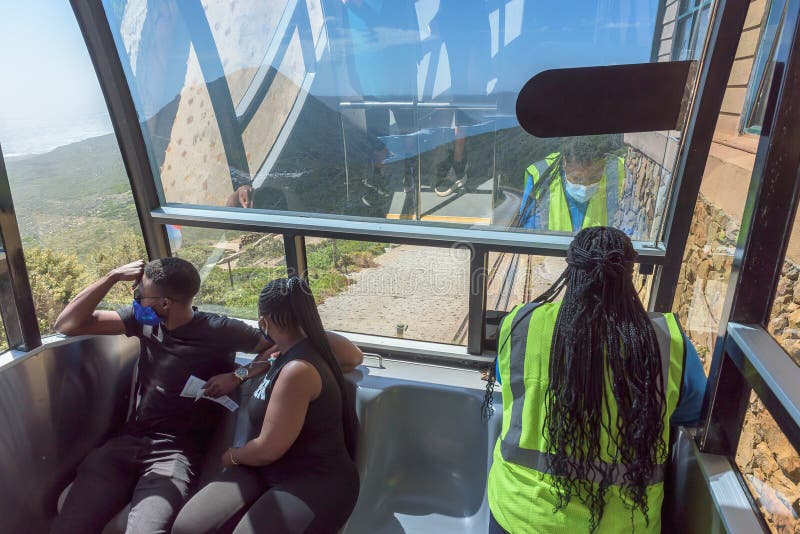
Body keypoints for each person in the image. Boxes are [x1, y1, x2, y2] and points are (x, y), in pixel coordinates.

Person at [50, 259, 361, 534]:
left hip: (174, 454)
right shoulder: (140, 320)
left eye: (140, 294)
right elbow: (67, 324)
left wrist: (240, 374)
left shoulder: (219, 330)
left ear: (165, 303)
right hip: (127, 442)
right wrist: (111, 277)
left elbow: (281, 345)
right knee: (72, 525)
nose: (136, 298)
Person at [484, 227, 707, 533]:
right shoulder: (669, 340)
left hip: (518, 513)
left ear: (571, 270)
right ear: (629, 273)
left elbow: (508, 382)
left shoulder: (521, 324)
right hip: (625, 525)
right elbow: (692, 412)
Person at [172, 276, 360, 534]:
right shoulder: (284, 351)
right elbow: (270, 357)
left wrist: (231, 456)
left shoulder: (298, 370)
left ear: (263, 323)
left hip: (313, 481)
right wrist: (238, 375)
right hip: (266, 470)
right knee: (187, 528)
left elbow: (267, 450)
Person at [518, 139, 627, 233]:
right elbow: (528, 228)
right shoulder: (541, 176)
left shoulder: (621, 171)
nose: (585, 187)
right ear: (564, 163)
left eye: (594, 178)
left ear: (604, 164)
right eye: (577, 179)